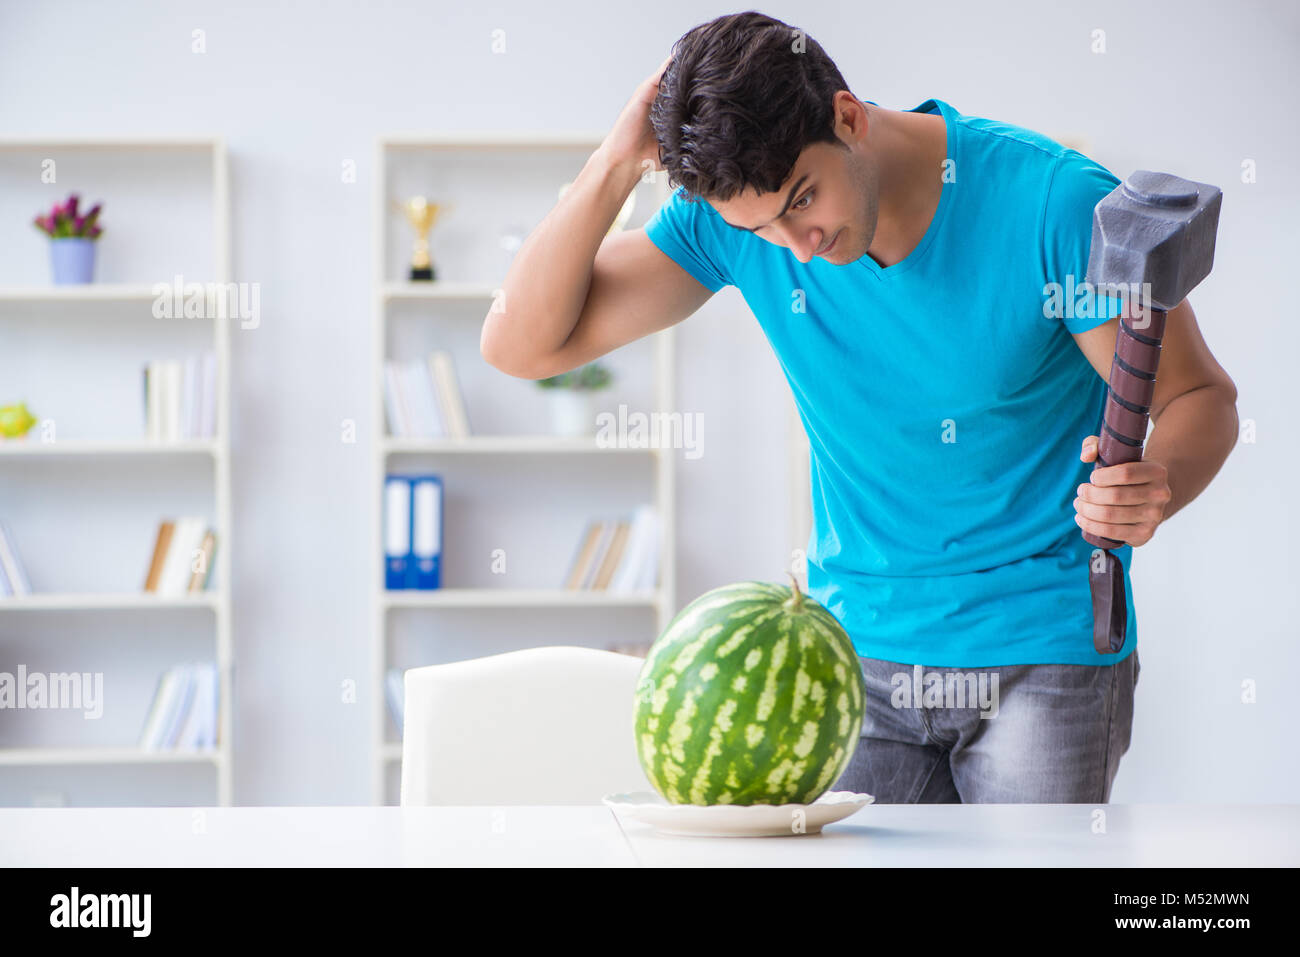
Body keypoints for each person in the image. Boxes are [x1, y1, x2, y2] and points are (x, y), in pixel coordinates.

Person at [480, 11, 1239, 803]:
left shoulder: (1053, 204)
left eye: (804, 199)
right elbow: (520, 344)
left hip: (1041, 653)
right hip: (854, 659)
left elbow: (1197, 396)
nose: (798, 246)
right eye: (763, 227)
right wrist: (613, 163)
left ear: (848, 115)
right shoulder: (738, 226)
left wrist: (1159, 481)